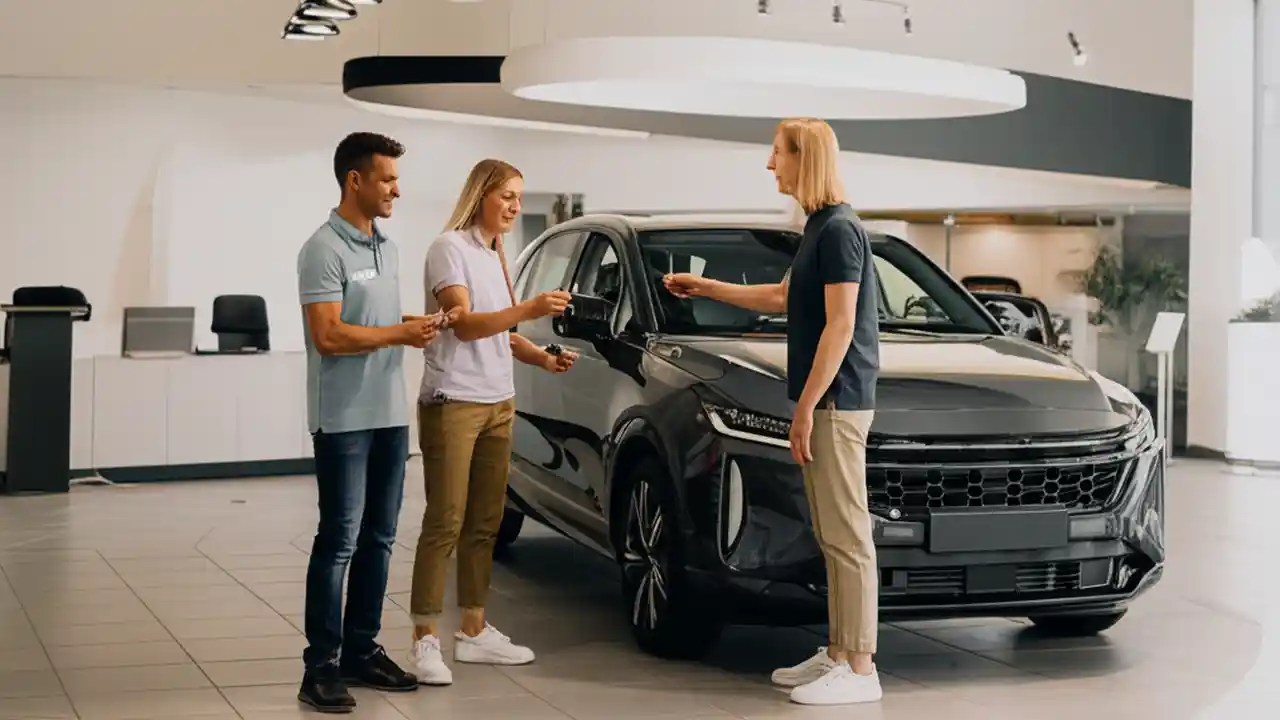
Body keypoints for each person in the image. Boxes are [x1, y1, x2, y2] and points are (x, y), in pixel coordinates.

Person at [663, 118, 883, 706]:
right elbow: (782, 297)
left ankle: (861, 667)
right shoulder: (819, 227)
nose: (769, 165)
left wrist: (806, 406)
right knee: (831, 534)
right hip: (824, 401)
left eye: (777, 153)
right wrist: (707, 289)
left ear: (804, 159)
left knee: (848, 536)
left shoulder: (841, 230)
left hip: (837, 401)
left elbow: (841, 326)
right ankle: (838, 652)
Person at [406, 158, 578, 686]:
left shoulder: (495, 253)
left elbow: (502, 333)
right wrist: (530, 308)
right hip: (454, 401)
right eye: (507, 196)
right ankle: (424, 640)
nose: (515, 206)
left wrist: (542, 358)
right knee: (445, 520)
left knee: (485, 522)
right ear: (480, 194)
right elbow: (465, 324)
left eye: (520, 197)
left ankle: (474, 631)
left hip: (499, 402)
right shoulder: (449, 249)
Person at [296, 131, 445, 713]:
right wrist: (399, 333)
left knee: (379, 538)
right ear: (354, 180)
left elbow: (374, 319)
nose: (396, 190)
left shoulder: (389, 247)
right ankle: (321, 667)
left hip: (388, 414)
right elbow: (329, 335)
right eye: (387, 179)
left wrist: (416, 325)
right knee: (339, 540)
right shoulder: (322, 249)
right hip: (343, 420)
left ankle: (361, 650)